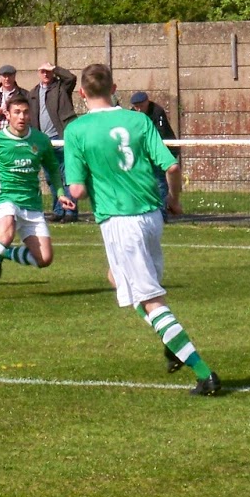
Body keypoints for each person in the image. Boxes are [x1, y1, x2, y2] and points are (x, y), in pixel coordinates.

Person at [65, 63, 220, 396]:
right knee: (116, 278)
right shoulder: (139, 120)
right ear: (114, 87)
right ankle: (172, 341)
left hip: (120, 222)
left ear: (81, 93)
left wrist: (69, 194)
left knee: (151, 300)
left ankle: (204, 374)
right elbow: (172, 165)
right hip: (151, 217)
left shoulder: (77, 130)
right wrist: (175, 199)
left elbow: (76, 190)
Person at [0, 90, 72, 300]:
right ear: (7, 115)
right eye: (17, 112)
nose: (22, 116)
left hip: (31, 204)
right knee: (6, 233)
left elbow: (53, 168)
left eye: (25, 112)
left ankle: (4, 253)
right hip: (4, 200)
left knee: (45, 259)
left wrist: (60, 193)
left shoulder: (40, 140)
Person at [33, 63, 79, 222]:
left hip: (61, 139)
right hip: (44, 142)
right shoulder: (33, 93)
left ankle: (70, 212)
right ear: (38, 73)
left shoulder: (61, 88)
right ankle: (58, 210)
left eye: (48, 72)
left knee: (67, 176)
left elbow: (71, 78)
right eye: (42, 71)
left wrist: (55, 68)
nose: (45, 74)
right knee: (52, 177)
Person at [130, 91, 180, 215]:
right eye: (136, 106)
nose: (139, 109)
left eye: (141, 105)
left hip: (166, 149)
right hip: (146, 151)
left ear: (147, 102)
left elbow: (160, 133)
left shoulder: (157, 111)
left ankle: (162, 212)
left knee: (160, 180)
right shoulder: (132, 113)